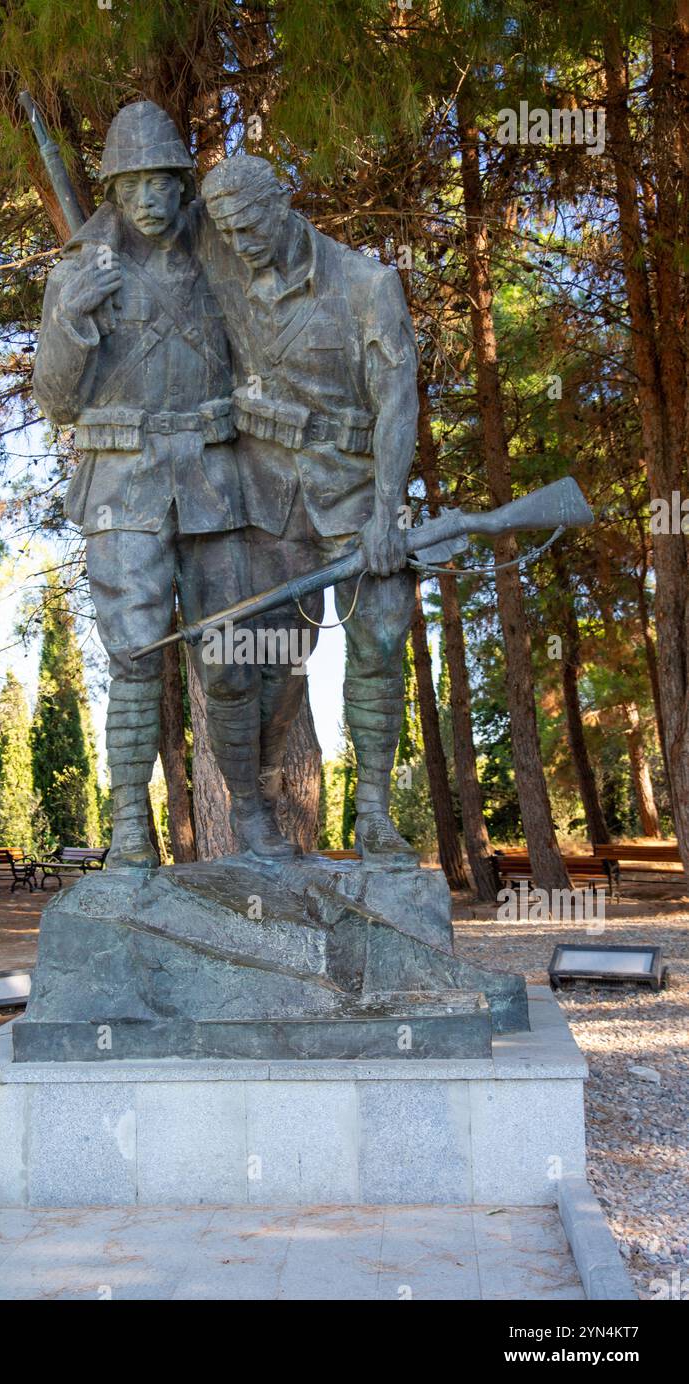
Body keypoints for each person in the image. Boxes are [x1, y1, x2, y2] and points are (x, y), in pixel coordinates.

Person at [33, 105, 291, 866]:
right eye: (131, 184)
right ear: (112, 190)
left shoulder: (223, 255)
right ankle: (129, 832)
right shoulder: (80, 271)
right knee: (135, 659)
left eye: (161, 182)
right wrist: (74, 319)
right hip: (122, 486)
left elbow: (264, 347)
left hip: (215, 479)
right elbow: (54, 398)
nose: (147, 198)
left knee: (234, 658)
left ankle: (250, 818)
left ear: (183, 185)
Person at [198, 154, 420, 861]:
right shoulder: (223, 272)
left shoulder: (365, 284)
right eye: (226, 231)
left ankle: (376, 815)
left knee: (382, 639)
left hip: (356, 491)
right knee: (261, 660)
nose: (240, 242)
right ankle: (253, 810)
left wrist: (387, 510)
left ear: (283, 202)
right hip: (264, 501)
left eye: (250, 223)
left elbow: (397, 403)